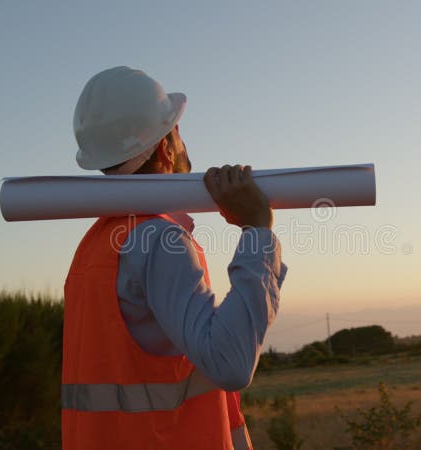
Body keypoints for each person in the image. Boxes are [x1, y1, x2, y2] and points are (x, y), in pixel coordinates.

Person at [62, 66, 287, 450]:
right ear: (167, 146)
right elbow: (229, 364)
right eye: (177, 133)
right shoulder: (158, 239)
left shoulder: (99, 244)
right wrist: (257, 231)